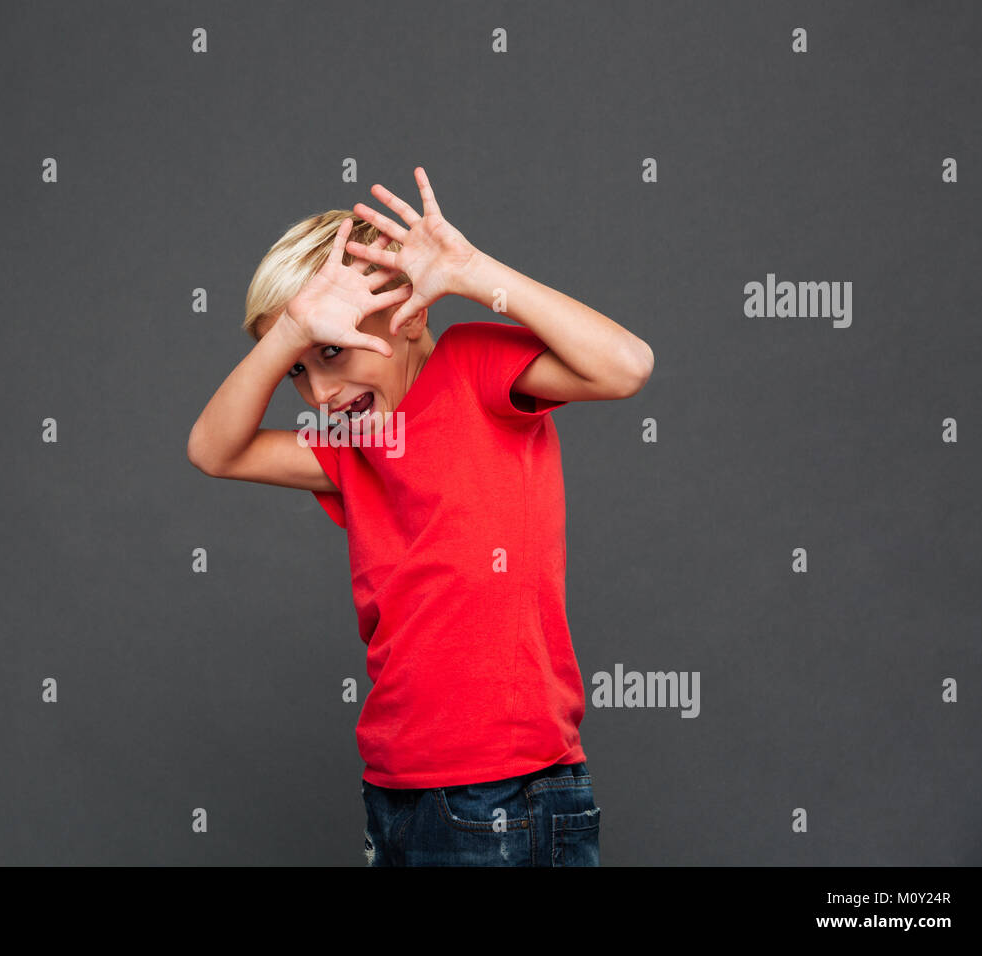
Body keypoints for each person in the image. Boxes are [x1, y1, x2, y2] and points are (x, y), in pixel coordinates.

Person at [187, 167, 654, 865]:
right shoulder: (352, 447)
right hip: (396, 789)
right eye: (297, 369)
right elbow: (213, 451)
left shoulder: (474, 370)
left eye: (333, 351)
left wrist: (473, 270)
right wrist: (287, 331)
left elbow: (625, 365)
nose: (318, 392)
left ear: (409, 315)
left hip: (508, 791)